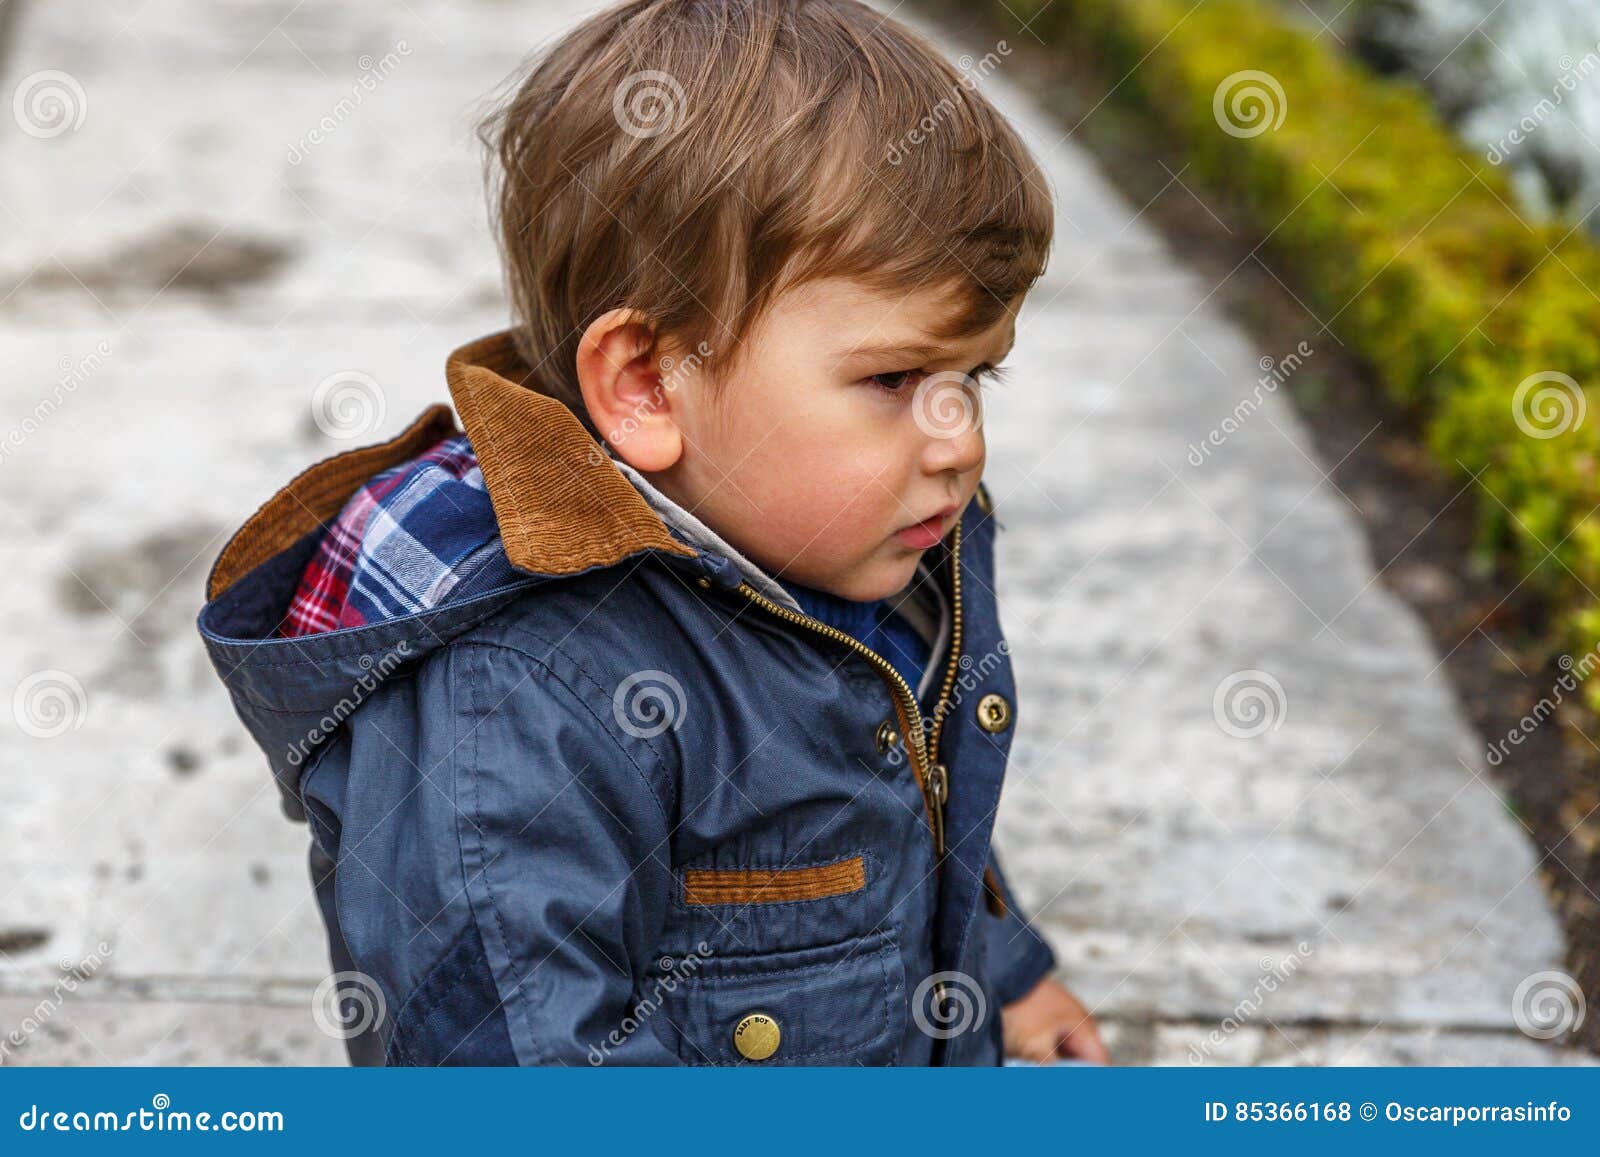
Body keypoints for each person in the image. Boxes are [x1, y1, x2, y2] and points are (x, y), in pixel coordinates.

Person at [196, 0, 1108, 1067]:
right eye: (895, 378)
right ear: (646, 384)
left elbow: (911, 792)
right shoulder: (525, 696)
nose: (960, 439)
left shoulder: (865, 548)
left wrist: (1003, 974)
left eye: (976, 375)